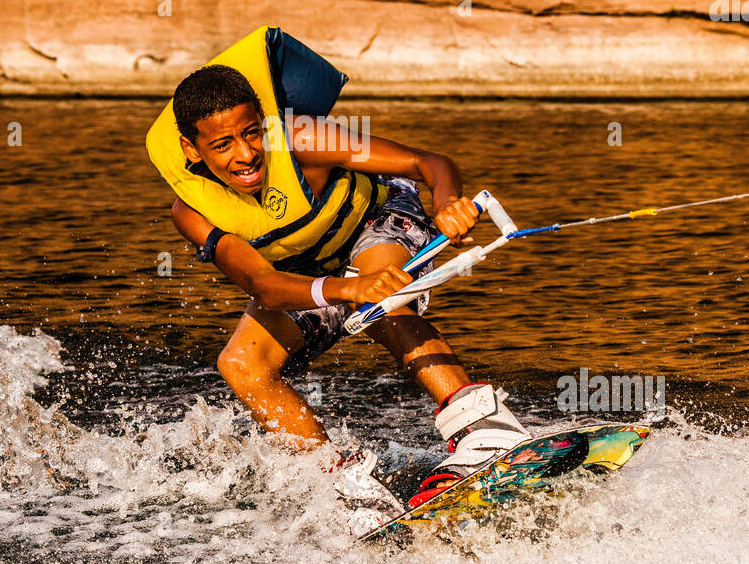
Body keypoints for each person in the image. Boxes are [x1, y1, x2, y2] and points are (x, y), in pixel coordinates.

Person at [146, 27, 529, 534]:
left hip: (381, 220)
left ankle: (488, 428)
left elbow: (427, 163)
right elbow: (263, 284)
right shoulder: (191, 210)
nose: (245, 154)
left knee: (381, 291)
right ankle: (343, 485)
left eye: (252, 133)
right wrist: (343, 290)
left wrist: (448, 201)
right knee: (241, 364)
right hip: (314, 271)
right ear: (191, 150)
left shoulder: (302, 140)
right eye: (222, 144)